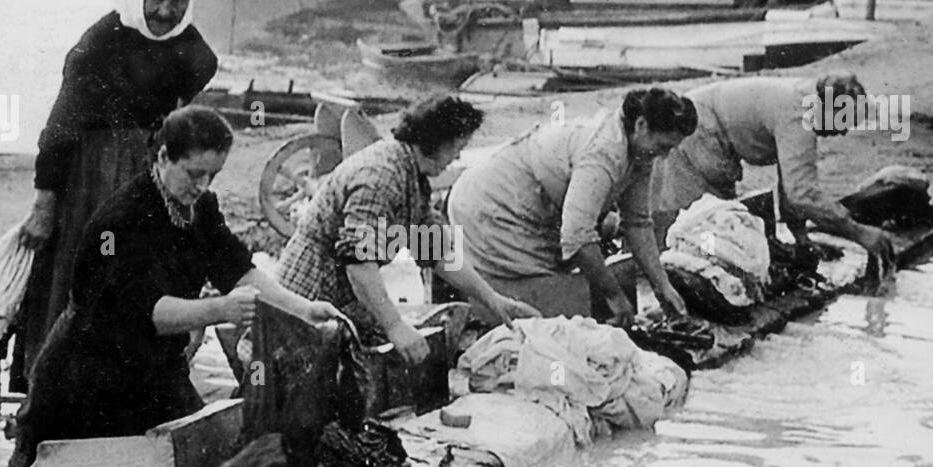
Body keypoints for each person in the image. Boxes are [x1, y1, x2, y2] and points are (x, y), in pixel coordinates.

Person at [3, 106, 341, 467]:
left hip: (153, 367)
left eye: (212, 176)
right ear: (163, 157)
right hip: (86, 373)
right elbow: (144, 312)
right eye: (193, 173)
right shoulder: (120, 220)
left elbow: (241, 270)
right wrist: (219, 310)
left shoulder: (201, 209)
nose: (202, 186)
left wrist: (303, 307)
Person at [12, 0, 219, 391]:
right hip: (93, 177)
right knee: (92, 267)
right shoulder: (99, 45)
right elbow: (59, 128)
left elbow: (202, 67)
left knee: (147, 269)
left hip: (152, 170)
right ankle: (65, 381)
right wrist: (44, 203)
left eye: (177, 1)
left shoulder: (188, 48)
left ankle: (135, 376)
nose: (165, 11)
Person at [275, 95, 540, 366]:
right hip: (306, 301)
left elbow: (436, 255)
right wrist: (394, 325)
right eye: (455, 148)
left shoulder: (412, 176)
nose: (457, 156)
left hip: (342, 302)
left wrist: (493, 299)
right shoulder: (381, 177)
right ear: (435, 141)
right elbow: (359, 263)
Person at [447, 87, 696, 326]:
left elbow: (638, 223)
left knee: (572, 283)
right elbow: (577, 236)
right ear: (641, 125)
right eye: (663, 146)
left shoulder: (641, 152)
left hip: (535, 209)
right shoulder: (603, 150)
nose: (664, 156)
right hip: (492, 205)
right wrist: (615, 297)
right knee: (538, 299)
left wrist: (662, 287)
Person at [652, 72, 896, 267]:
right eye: (843, 121)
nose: (842, 132)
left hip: (712, 126)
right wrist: (859, 233)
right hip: (699, 129)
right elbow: (802, 194)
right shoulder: (800, 116)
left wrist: (802, 239)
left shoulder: (807, 100)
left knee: (720, 225)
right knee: (706, 224)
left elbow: (792, 184)